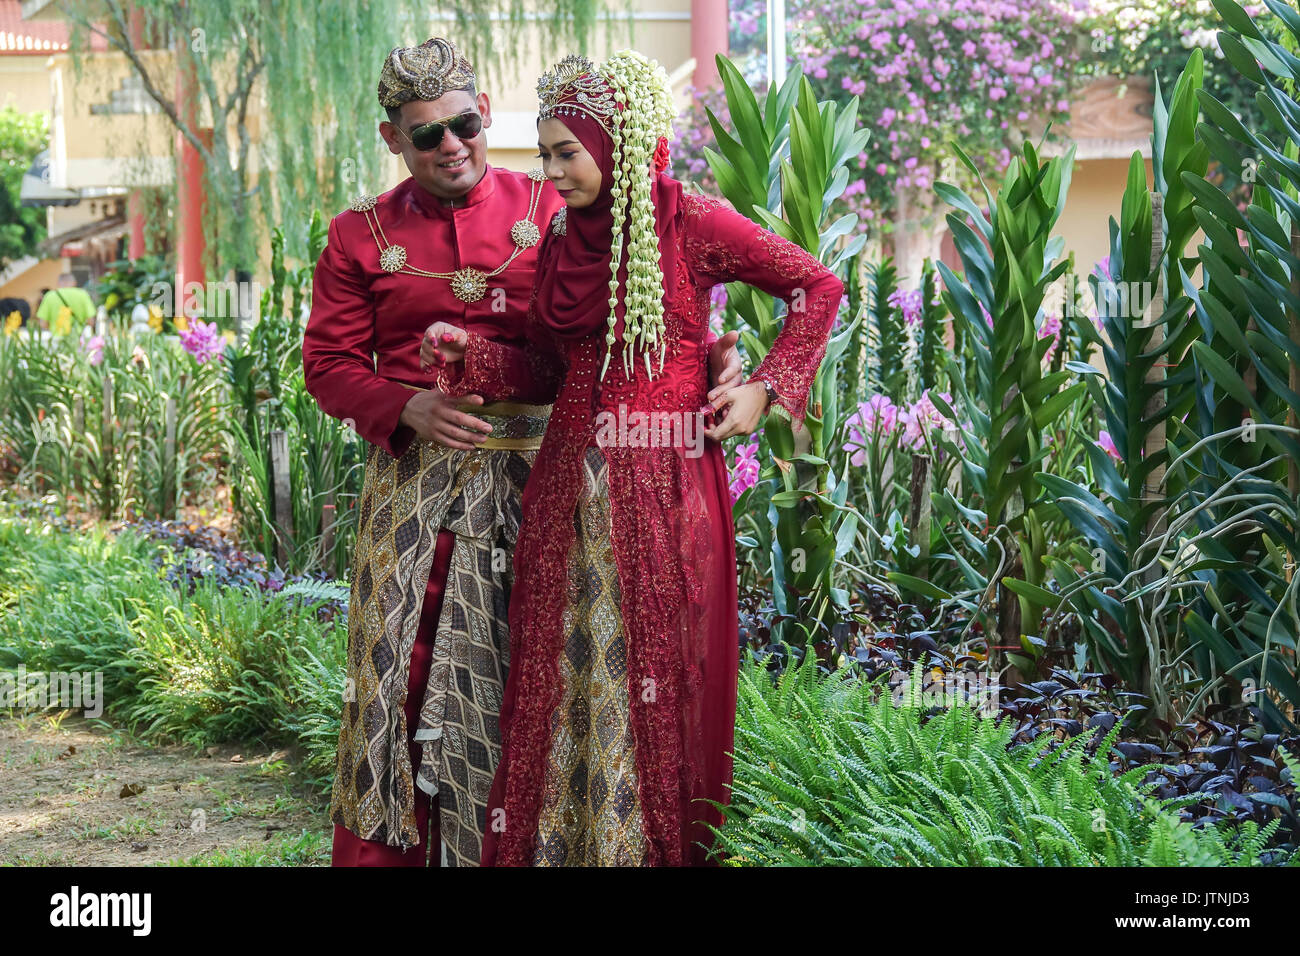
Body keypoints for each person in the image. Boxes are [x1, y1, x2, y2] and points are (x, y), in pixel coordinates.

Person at [301, 38, 741, 867]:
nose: (452, 144)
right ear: (393, 138)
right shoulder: (358, 235)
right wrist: (405, 405)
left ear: (485, 116)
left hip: (549, 477)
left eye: (464, 122)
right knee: (402, 677)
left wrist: (714, 358)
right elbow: (325, 365)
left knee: (537, 682)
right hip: (415, 489)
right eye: (426, 134)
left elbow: (651, 298)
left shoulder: (557, 205)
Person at [424, 51, 844, 866]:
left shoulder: (691, 222)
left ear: (616, 142)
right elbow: (549, 370)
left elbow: (816, 288)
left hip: (663, 491)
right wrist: (469, 356)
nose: (550, 171)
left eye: (565, 153)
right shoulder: (560, 234)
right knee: (566, 675)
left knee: (654, 672)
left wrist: (763, 389)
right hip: (564, 495)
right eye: (543, 153)